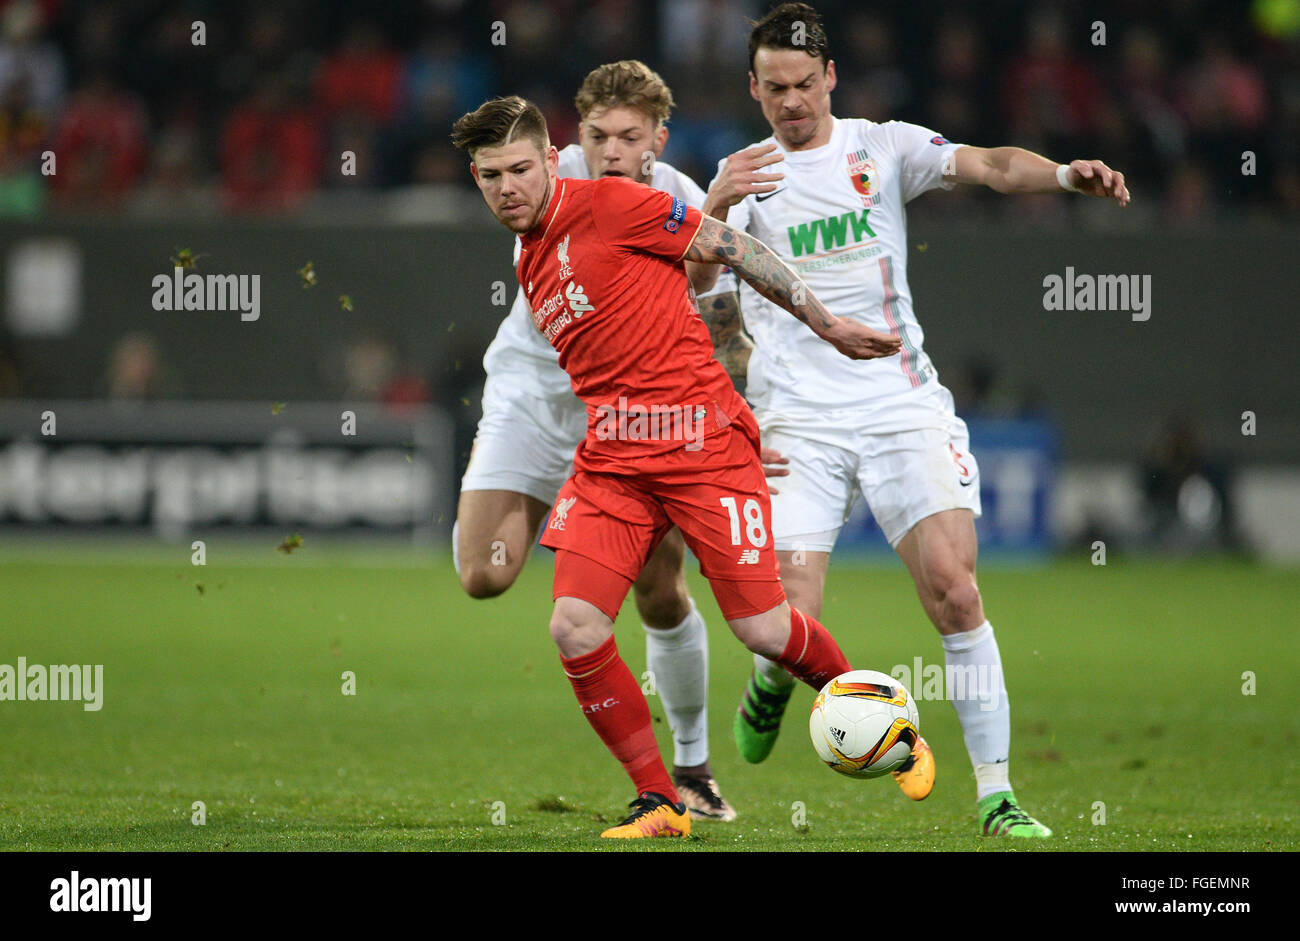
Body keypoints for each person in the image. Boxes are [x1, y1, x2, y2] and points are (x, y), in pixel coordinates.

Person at [690, 3, 1129, 839]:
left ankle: (998, 796)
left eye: (804, 84)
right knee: (787, 616)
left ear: (830, 77)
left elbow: (993, 165)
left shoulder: (881, 147)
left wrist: (1068, 176)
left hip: (898, 402)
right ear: (753, 88)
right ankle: (773, 679)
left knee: (955, 592)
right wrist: (715, 200)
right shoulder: (741, 177)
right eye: (774, 88)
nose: (791, 101)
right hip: (796, 421)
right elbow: (693, 284)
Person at [451, 93, 908, 838]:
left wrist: (826, 325)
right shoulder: (529, 253)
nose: (507, 187)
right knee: (573, 625)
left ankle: (885, 724)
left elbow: (733, 249)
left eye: (520, 169)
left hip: (700, 448)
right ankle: (661, 800)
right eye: (491, 175)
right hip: (614, 458)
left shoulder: (611, 204)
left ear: (552, 161)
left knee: (762, 628)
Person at [454, 61, 779, 821]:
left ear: (657, 140)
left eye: (629, 136)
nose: (610, 149)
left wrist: (735, 423)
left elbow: (714, 320)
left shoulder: (684, 197)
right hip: (536, 395)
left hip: (636, 416)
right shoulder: (543, 173)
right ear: (574, 137)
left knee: (660, 592)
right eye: (597, 134)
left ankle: (691, 770)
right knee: (483, 573)